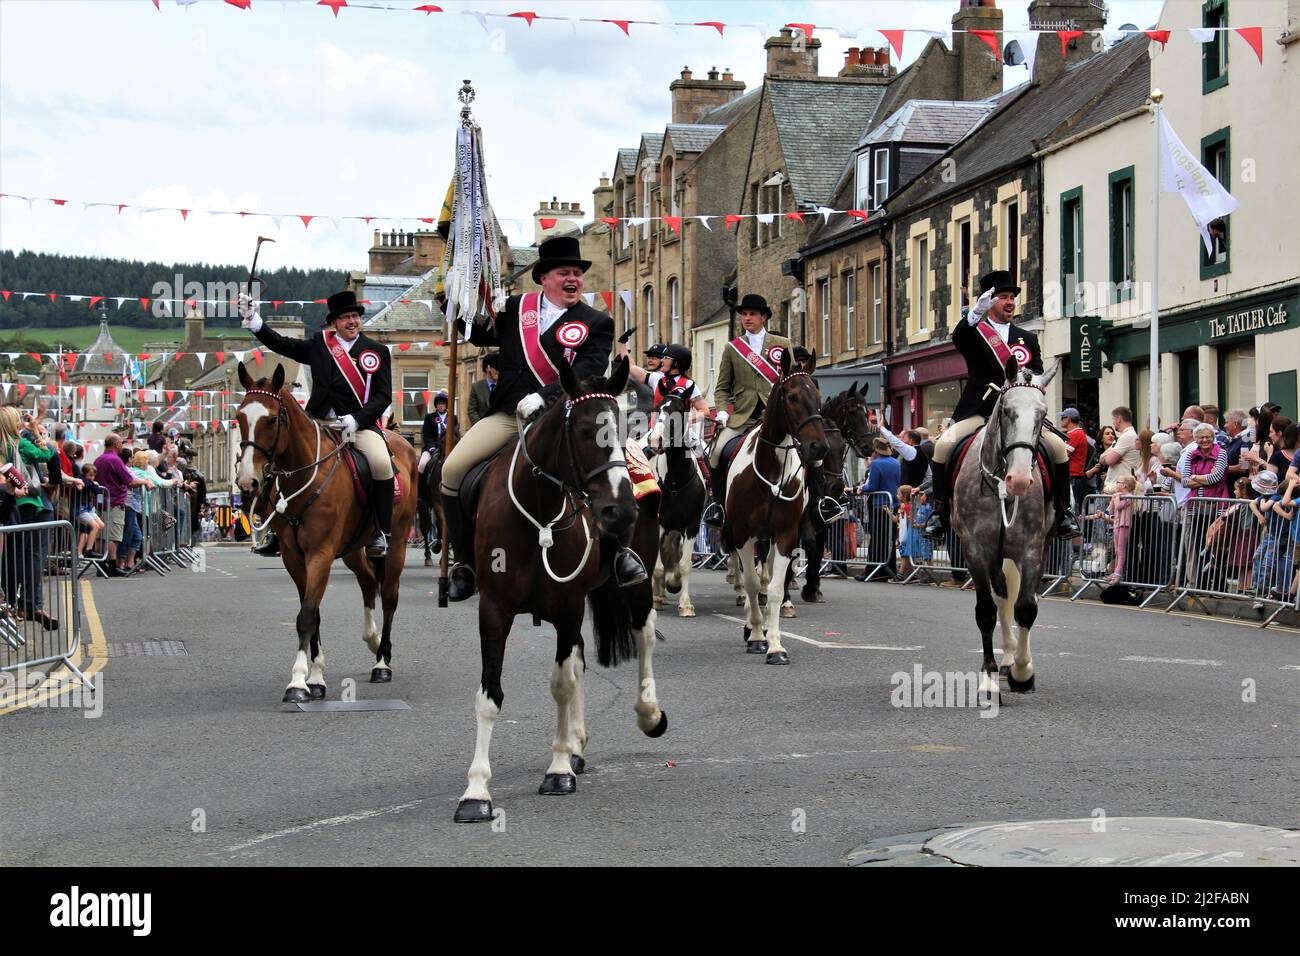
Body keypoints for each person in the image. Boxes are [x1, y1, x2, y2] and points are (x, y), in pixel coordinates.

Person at [438, 234, 644, 601]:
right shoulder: (518, 308)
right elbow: (478, 333)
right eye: (564, 272)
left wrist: (545, 396)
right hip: (508, 415)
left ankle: (618, 554)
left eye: (577, 274)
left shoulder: (597, 322)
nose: (573, 279)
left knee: (621, 472)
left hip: (569, 416)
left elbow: (588, 373)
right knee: (451, 471)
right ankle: (466, 561)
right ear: (544, 277)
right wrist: (453, 303)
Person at [239, 288, 396, 558]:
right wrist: (255, 321)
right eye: (345, 317)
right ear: (334, 323)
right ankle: (277, 531)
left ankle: (381, 532)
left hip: (359, 425)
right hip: (319, 421)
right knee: (278, 460)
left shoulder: (377, 351)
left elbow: (383, 396)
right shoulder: (320, 345)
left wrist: (357, 419)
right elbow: (282, 344)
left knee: (381, 464)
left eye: (355, 316)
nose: (352, 321)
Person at [924, 270, 1077, 539]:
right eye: (1003, 297)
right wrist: (974, 314)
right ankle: (940, 512)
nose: (1009, 302)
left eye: (1011, 297)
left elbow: (1038, 374)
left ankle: (1063, 513)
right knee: (944, 446)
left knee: (1057, 449)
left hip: (1019, 414)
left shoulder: (1026, 338)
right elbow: (958, 338)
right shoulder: (975, 332)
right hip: (981, 409)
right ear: (989, 301)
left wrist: (1031, 384)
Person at [702, 293, 793, 528]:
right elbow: (722, 387)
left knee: (810, 451)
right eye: (744, 314)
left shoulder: (782, 345)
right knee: (715, 453)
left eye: (752, 314)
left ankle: (818, 504)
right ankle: (719, 506)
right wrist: (722, 411)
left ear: (764, 317)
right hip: (743, 416)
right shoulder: (733, 348)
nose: (747, 318)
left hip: (778, 417)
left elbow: (791, 382)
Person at [855, 438, 901, 580]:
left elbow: (873, 486)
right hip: (893, 503)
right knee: (889, 539)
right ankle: (889, 570)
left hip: (879, 504)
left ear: (876, 451)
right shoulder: (896, 462)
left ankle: (872, 571)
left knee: (877, 539)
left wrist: (862, 488)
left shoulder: (876, 464)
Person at [1099, 407, 1142, 493]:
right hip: (1116, 487)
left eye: (1113, 419)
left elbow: (1109, 460)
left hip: (1121, 489)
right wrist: (1109, 455)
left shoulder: (1127, 436)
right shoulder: (1122, 437)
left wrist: (1108, 456)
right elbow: (1101, 459)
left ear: (1119, 419)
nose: (1113, 422)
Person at [419, 391, 458, 475]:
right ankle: (422, 488)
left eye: (443, 403)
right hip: (432, 448)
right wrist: (432, 447)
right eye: (438, 403)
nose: (440, 405)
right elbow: (426, 436)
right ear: (436, 405)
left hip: (449, 448)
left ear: (446, 405)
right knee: (422, 465)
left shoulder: (453, 418)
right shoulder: (429, 417)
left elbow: (456, 435)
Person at [1060, 408, 1089, 509]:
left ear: (1068, 419)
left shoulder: (1075, 434)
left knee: (1073, 509)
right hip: (1074, 477)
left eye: (1062, 417)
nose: (1061, 420)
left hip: (1074, 478)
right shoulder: (1074, 433)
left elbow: (1063, 454)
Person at [467, 352, 499, 426]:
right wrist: (481, 426)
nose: (498, 371)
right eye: (496, 368)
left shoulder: (504, 386)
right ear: (488, 368)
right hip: (482, 427)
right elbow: (472, 411)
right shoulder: (476, 387)